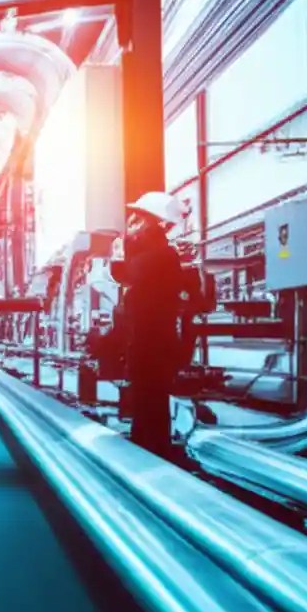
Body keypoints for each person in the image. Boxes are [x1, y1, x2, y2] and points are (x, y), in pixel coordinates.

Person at [111, 192, 189, 456]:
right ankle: (150, 445)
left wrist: (124, 250)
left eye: (138, 218)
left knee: (150, 398)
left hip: (152, 344)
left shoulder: (159, 255)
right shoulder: (156, 253)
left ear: (151, 222)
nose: (132, 222)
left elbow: (128, 279)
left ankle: (152, 451)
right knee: (148, 399)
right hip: (151, 342)